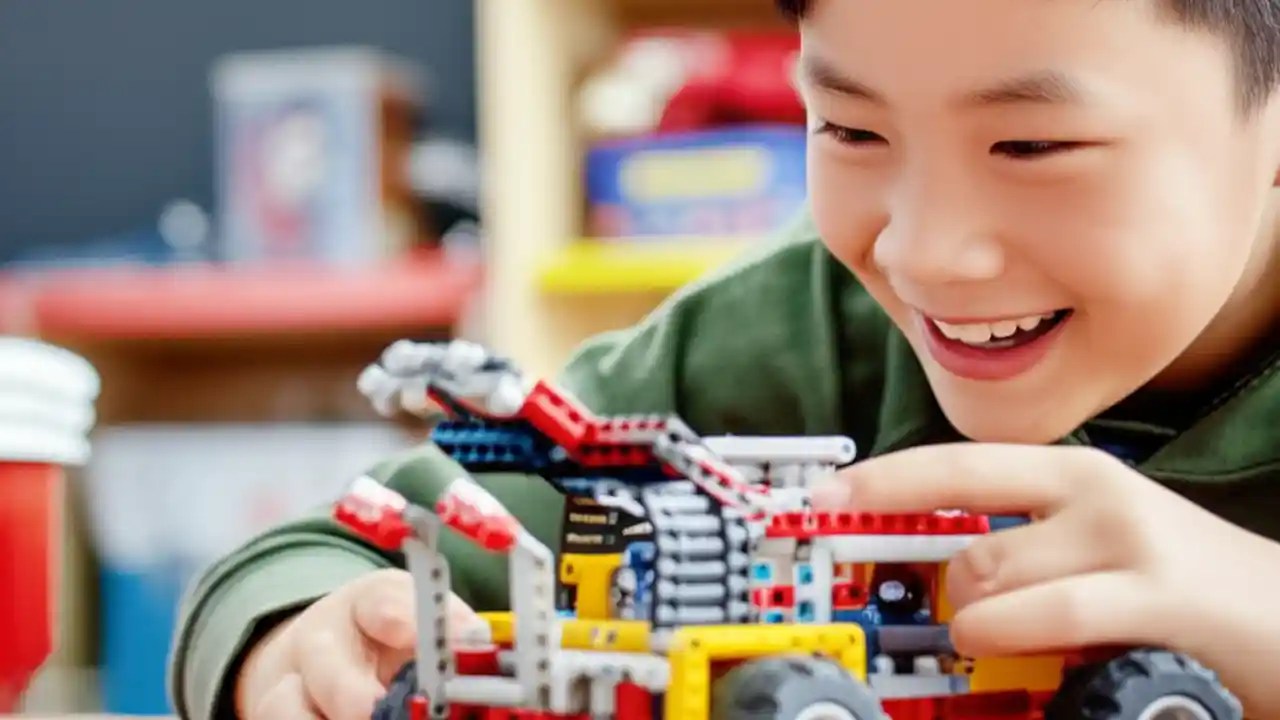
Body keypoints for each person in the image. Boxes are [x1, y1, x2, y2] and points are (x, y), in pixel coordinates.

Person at [169, 0, 1280, 717]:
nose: (921, 251)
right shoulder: (778, 336)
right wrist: (294, 648)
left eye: (1031, 145)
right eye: (848, 130)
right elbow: (322, 555)